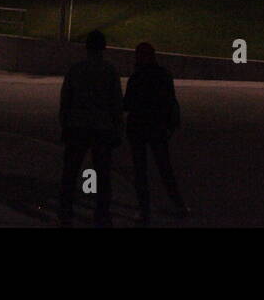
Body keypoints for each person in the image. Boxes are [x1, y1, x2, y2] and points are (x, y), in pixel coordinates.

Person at [58, 29, 123, 226]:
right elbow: (116, 103)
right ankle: (101, 213)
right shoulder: (110, 71)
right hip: (102, 127)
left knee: (70, 170)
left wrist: (65, 124)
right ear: (103, 48)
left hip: (77, 125)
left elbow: (66, 99)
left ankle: (66, 211)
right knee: (102, 173)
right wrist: (117, 127)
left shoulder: (76, 69)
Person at [123, 42, 187, 224]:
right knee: (164, 167)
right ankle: (178, 204)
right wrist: (170, 124)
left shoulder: (137, 77)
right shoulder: (163, 75)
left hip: (138, 128)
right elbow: (170, 101)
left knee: (140, 171)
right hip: (157, 127)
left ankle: (144, 210)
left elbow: (127, 104)